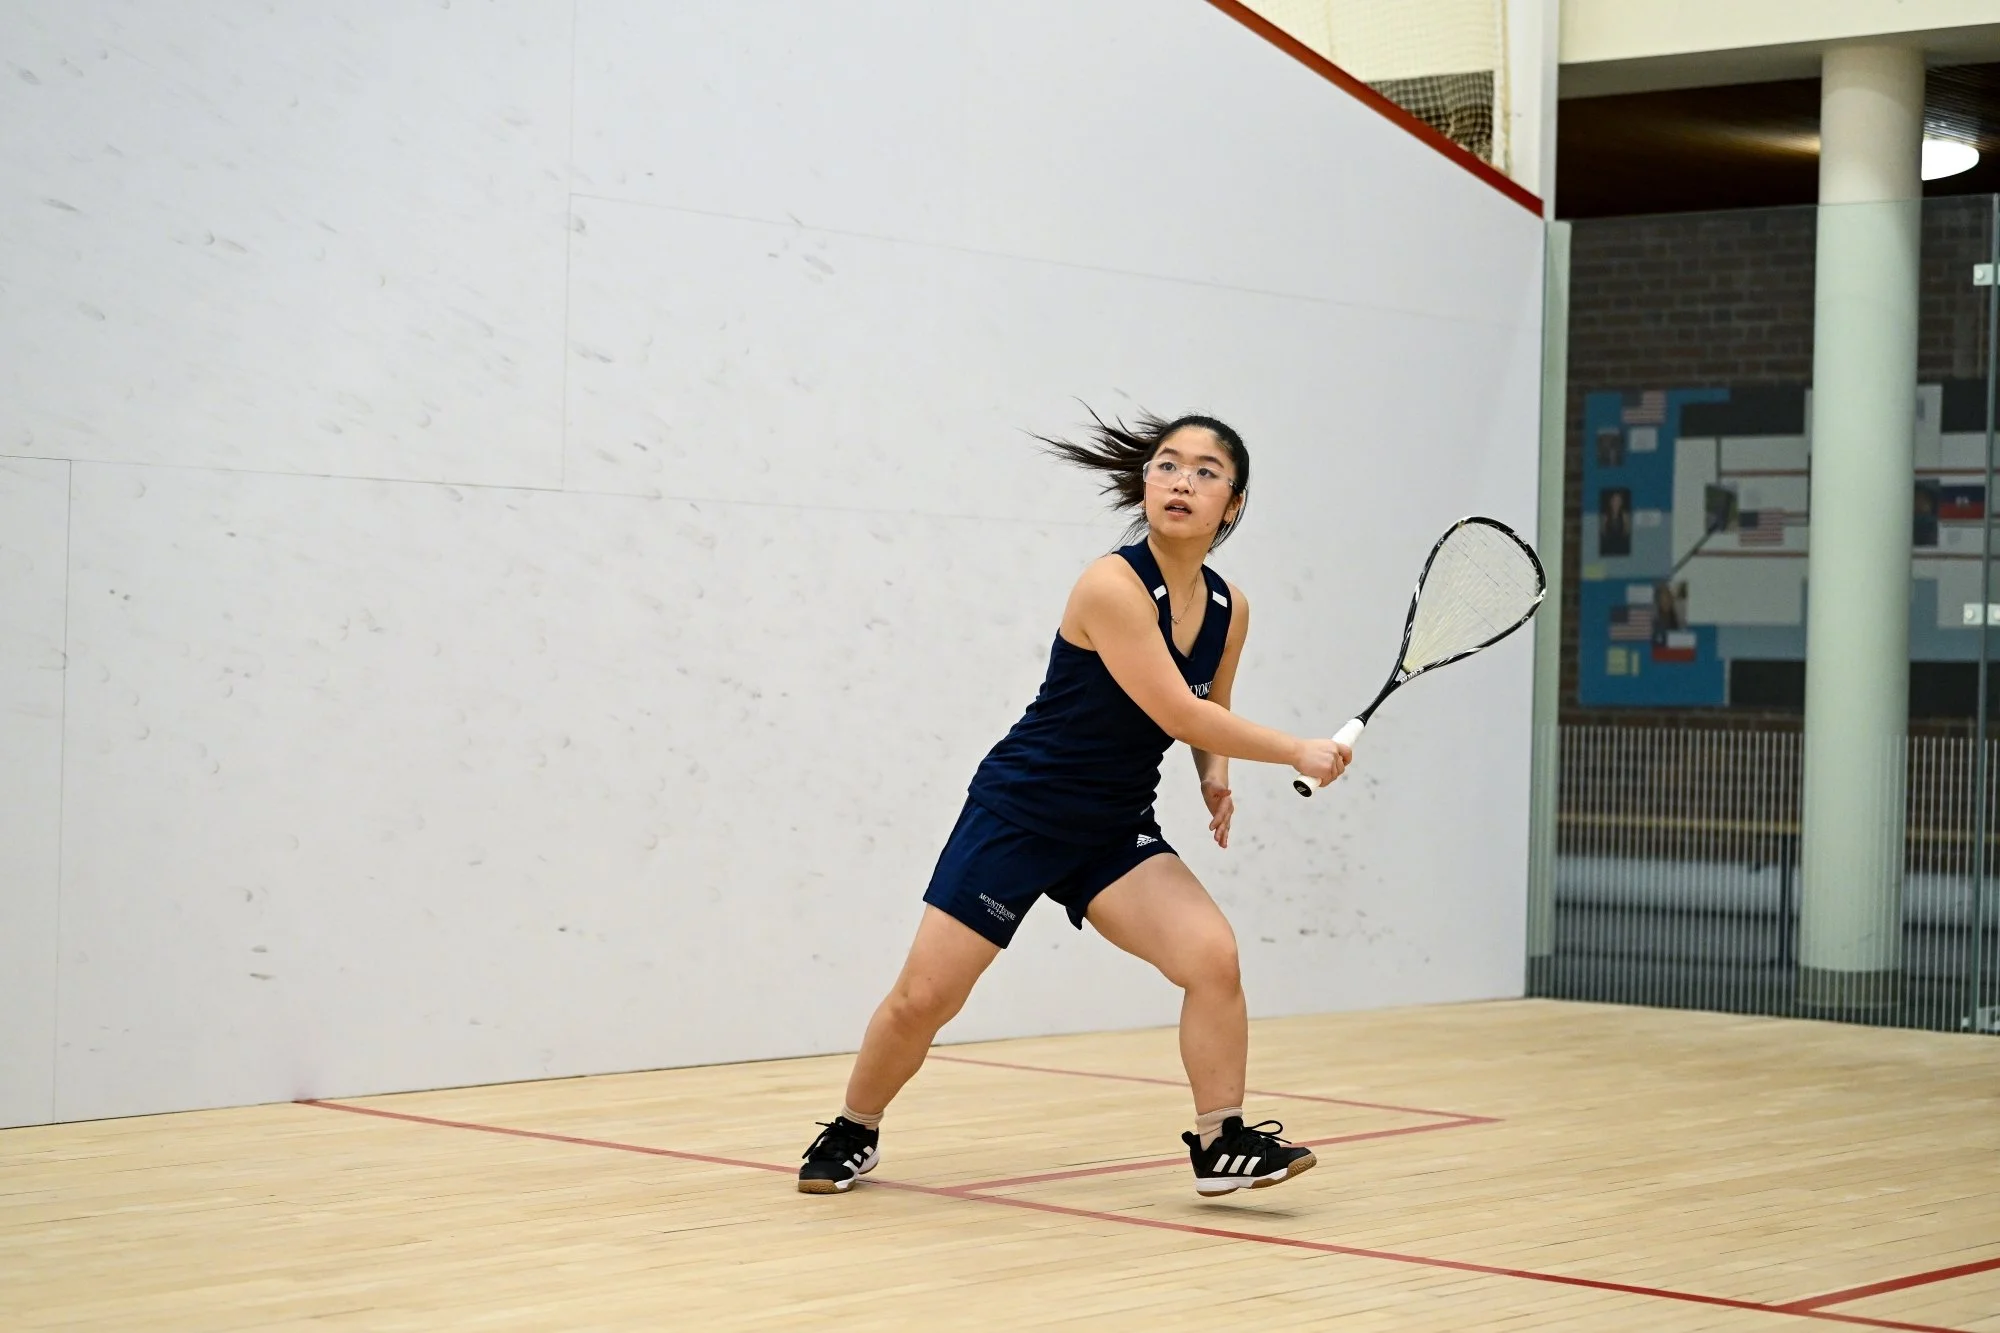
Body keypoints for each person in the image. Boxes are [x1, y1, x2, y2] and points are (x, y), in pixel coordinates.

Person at [797, 411, 1351, 1197]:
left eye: (1204, 471)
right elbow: (1179, 711)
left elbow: (1210, 708)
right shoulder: (1111, 585)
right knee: (926, 998)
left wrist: (1213, 776)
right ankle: (855, 1125)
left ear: (1233, 504)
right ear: (1146, 484)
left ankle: (1219, 1137)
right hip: (1020, 812)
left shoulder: (1230, 608)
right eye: (1167, 465)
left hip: (1111, 825)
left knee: (1212, 957)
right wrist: (1295, 748)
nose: (1180, 482)